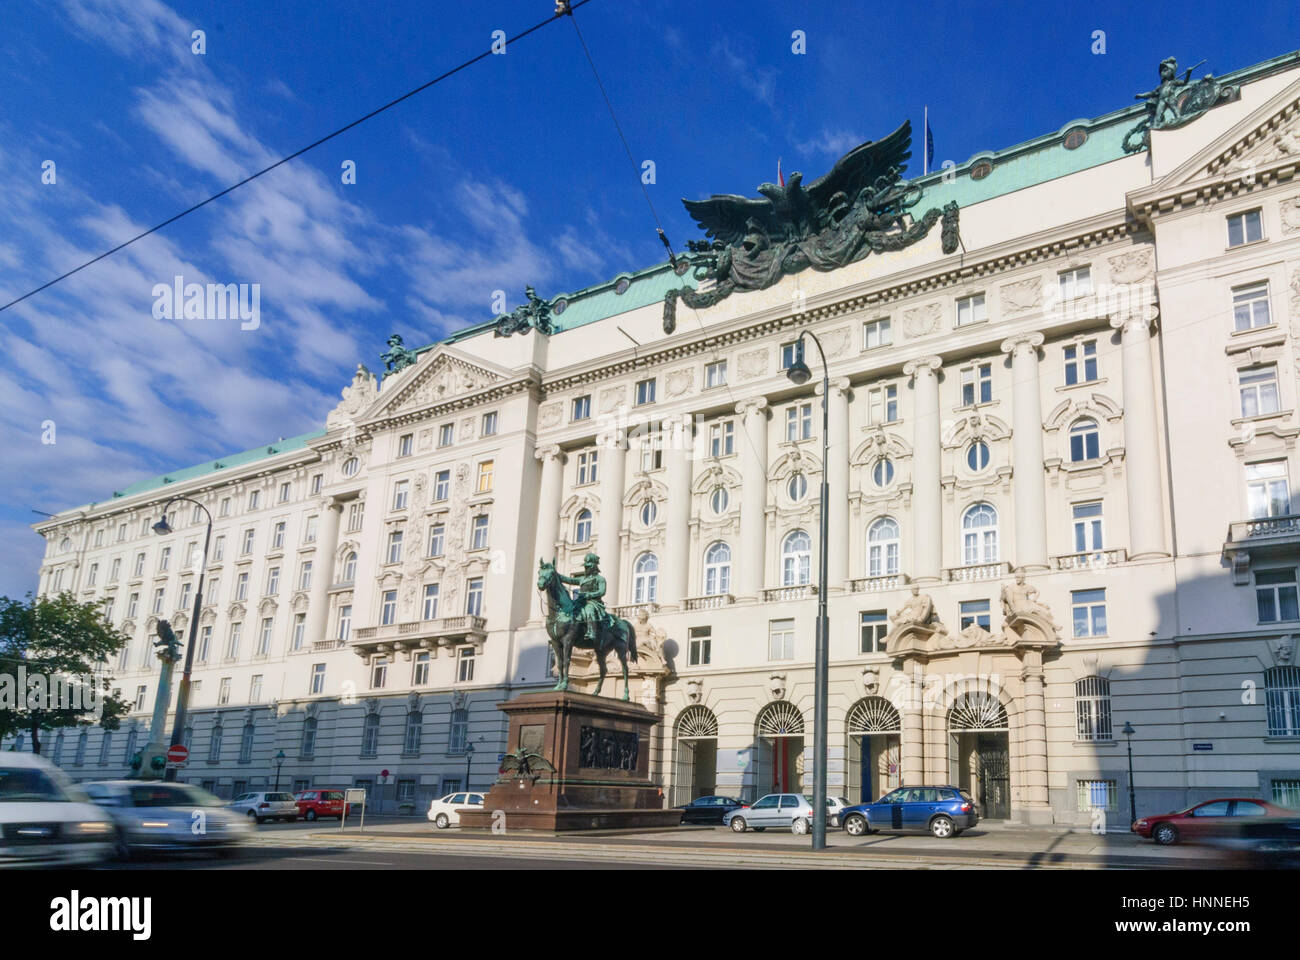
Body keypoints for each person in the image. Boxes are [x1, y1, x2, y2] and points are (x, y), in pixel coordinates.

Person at [559, 553, 609, 644]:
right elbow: (570, 580)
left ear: (593, 567)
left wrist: (590, 595)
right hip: (580, 601)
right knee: (569, 610)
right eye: (585, 567)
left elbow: (602, 591)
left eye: (588, 567)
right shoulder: (582, 579)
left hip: (593, 602)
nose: (586, 568)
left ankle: (591, 631)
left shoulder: (600, 579)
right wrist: (558, 576)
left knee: (588, 610)